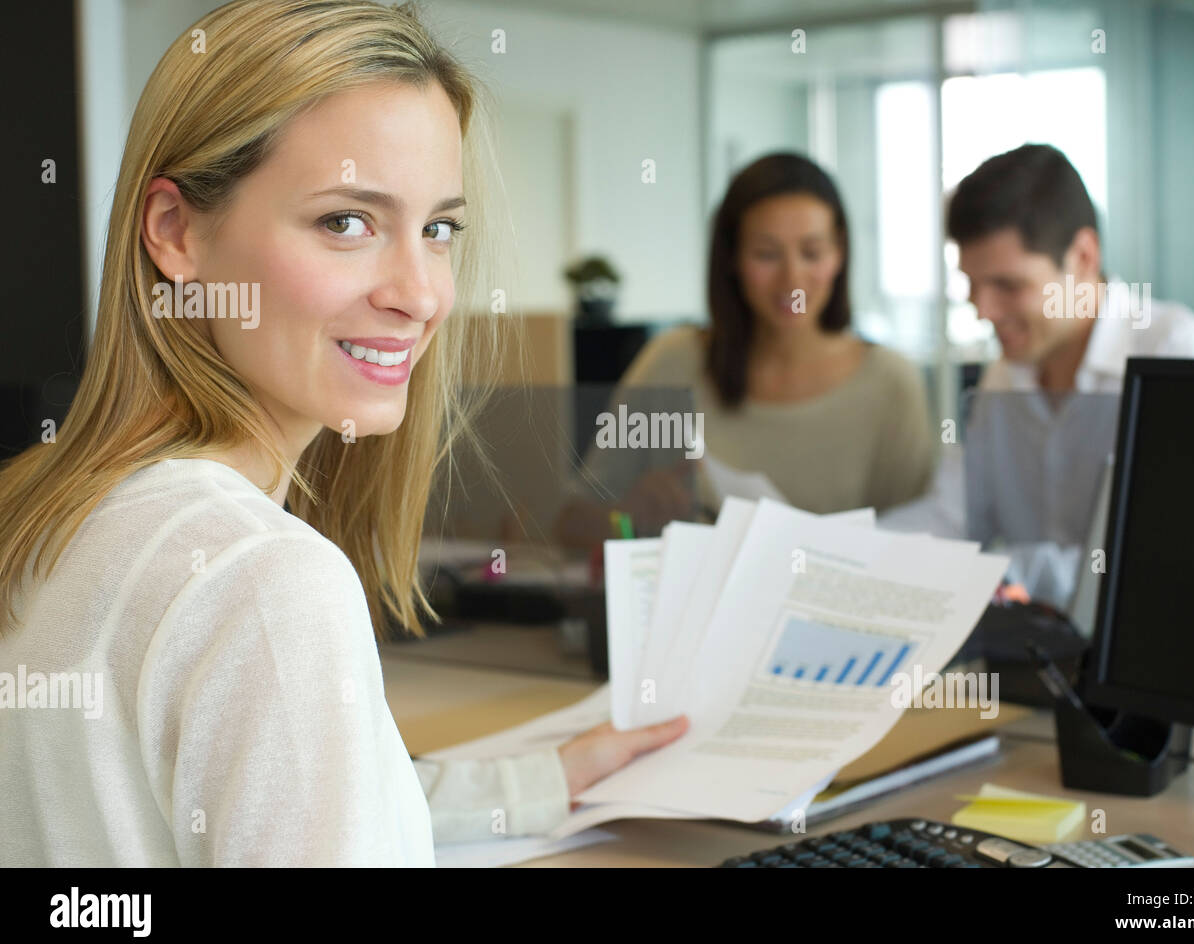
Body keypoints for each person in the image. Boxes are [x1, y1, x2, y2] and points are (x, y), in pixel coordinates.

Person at [0, 0, 685, 867]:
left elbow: (281, 796)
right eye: (346, 222)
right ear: (175, 233)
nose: (421, 293)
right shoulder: (265, 580)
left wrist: (542, 781)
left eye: (437, 228)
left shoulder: (50, 511)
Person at [882, 143, 1194, 606]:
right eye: (971, 285)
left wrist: (1000, 575)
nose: (983, 311)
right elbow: (953, 521)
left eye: (1008, 285)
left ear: (1083, 256)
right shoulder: (1004, 377)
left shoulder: (1181, 355)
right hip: (1030, 661)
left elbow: (1181, 563)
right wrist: (847, 551)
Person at [556, 153, 935, 548]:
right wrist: (627, 519)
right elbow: (570, 521)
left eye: (812, 253)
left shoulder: (892, 382)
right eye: (766, 254)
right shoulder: (672, 361)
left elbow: (915, 544)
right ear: (733, 259)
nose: (792, 279)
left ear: (839, 254)